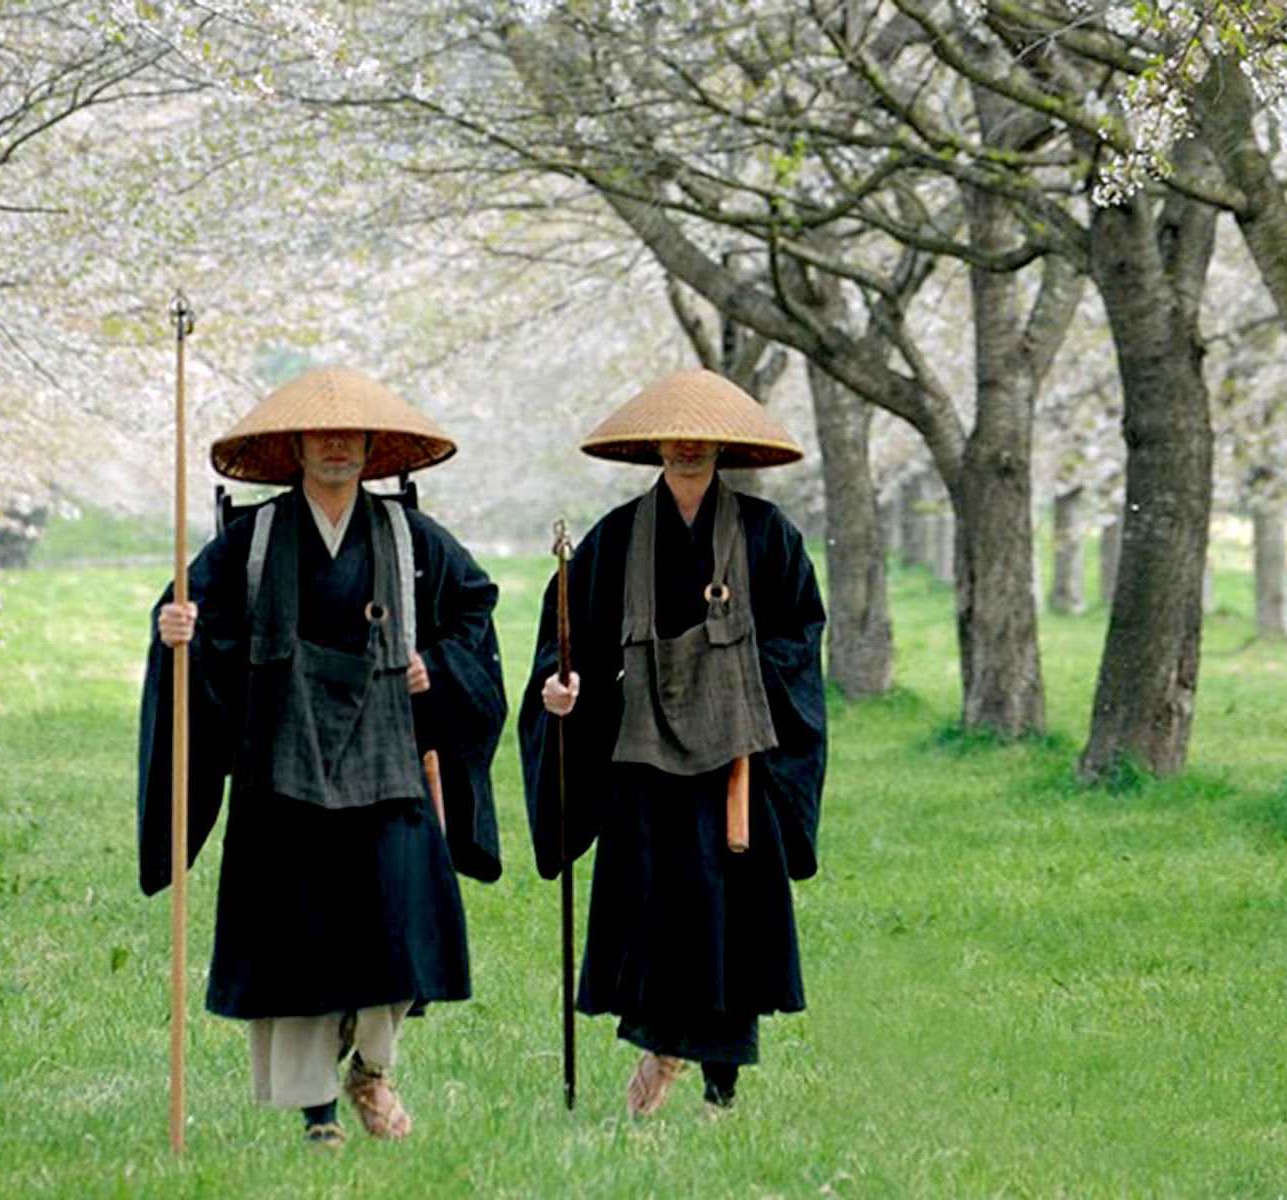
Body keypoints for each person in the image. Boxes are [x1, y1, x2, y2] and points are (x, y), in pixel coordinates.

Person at [137, 367, 506, 1147]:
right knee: (298, 938)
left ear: (373, 449)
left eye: (350, 437)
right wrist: (180, 634)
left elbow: (476, 605)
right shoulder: (254, 539)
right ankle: (317, 1113)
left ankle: (371, 1071)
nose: (336, 447)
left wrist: (433, 664)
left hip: (387, 761)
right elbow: (194, 617)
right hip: (284, 765)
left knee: (402, 917)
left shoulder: (411, 539)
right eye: (321, 435)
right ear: (297, 448)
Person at [518, 368, 827, 1117]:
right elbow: (570, 647)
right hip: (643, 760)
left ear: (723, 448)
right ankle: (662, 1047)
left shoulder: (765, 535)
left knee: (731, 919)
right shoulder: (617, 537)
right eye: (675, 439)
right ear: (656, 446)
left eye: (702, 440)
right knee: (657, 912)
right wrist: (561, 692)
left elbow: (800, 636)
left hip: (736, 765)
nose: (688, 450)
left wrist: (738, 670)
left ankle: (719, 1080)